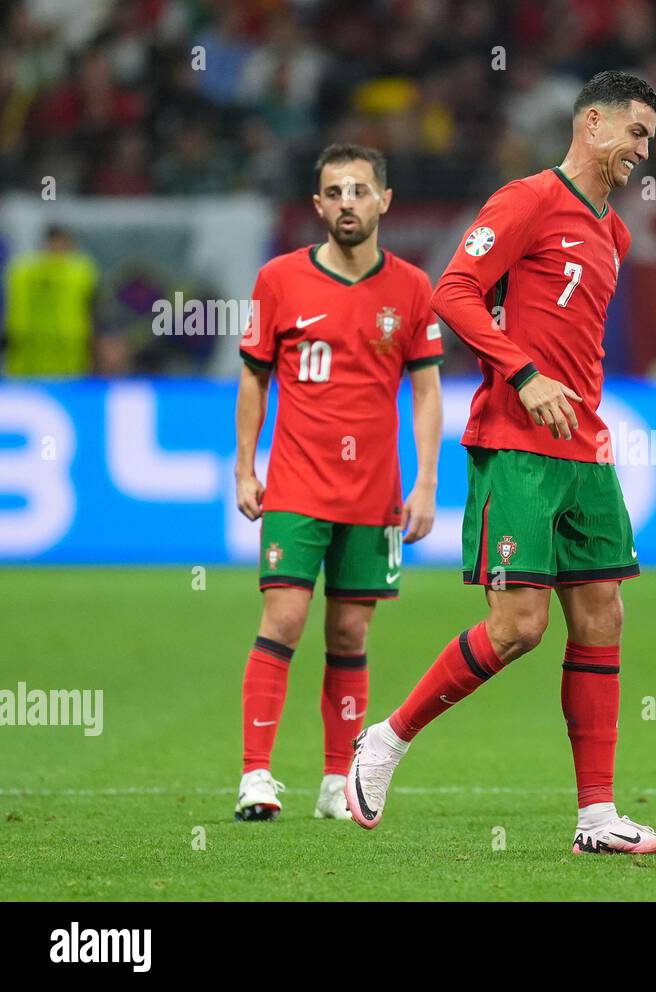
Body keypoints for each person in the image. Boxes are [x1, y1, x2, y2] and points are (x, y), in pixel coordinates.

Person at [345, 71, 656, 856]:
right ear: (591, 122)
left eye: (649, 141)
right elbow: (453, 292)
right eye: (635, 133)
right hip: (516, 444)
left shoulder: (614, 234)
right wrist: (524, 375)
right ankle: (386, 741)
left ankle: (597, 821)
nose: (642, 151)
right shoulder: (528, 199)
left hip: (586, 450)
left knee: (603, 615)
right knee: (519, 627)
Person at [232, 143, 444, 821]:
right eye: (333, 192)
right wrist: (244, 464)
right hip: (296, 483)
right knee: (286, 618)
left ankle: (334, 778)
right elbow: (254, 376)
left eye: (359, 190)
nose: (346, 202)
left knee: (350, 633)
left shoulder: (412, 287)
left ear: (384, 201)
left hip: (373, 493)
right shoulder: (279, 280)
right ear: (318, 204)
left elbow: (428, 391)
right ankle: (256, 776)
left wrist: (427, 482)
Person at [3, 226, 99, 376]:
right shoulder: (23, 272)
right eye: (55, 242)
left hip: (69, 343)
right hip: (30, 344)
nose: (58, 248)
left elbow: (90, 306)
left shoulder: (81, 272)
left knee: (68, 388)